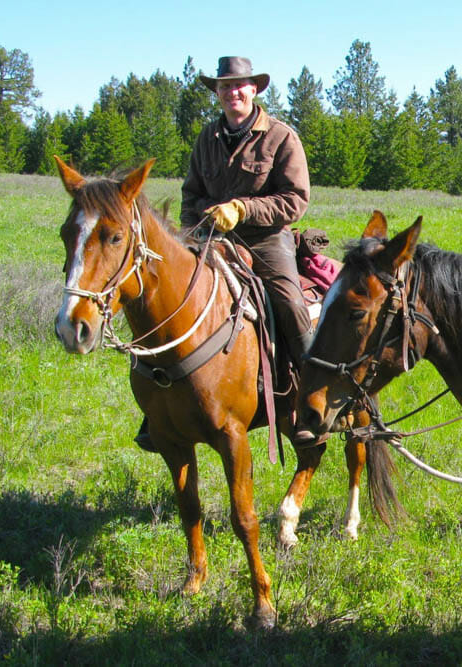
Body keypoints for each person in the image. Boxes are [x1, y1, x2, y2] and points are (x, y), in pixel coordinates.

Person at [134, 56, 312, 449]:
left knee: (289, 302)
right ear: (217, 92)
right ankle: (158, 408)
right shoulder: (207, 139)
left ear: (254, 89)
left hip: (265, 240)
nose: (233, 92)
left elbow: (295, 200)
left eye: (240, 85)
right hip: (209, 237)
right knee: (164, 296)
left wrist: (243, 209)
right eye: (225, 86)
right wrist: (193, 230)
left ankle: (310, 395)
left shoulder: (281, 137)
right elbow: (190, 196)